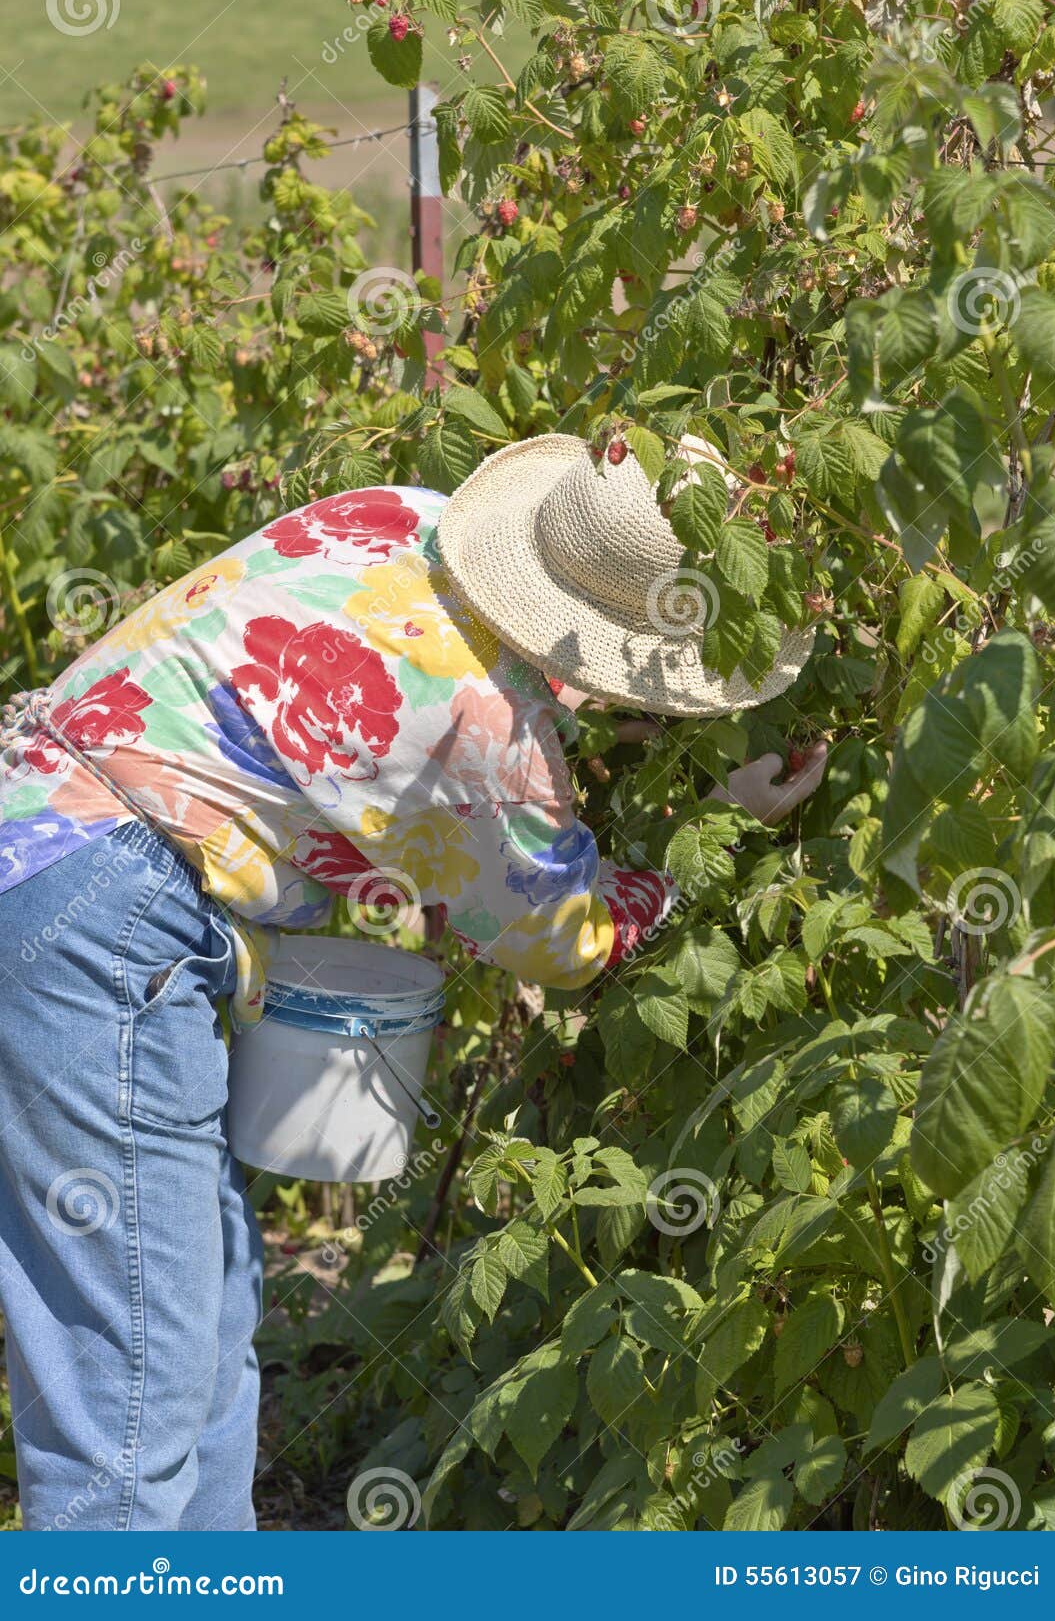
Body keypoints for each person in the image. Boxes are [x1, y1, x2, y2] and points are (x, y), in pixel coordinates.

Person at [0, 431, 827, 1531]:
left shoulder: (395, 514)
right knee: (128, 1393)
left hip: (63, 850)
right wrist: (714, 831)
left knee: (195, 1332)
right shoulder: (494, 735)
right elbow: (561, 939)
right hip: (97, 918)